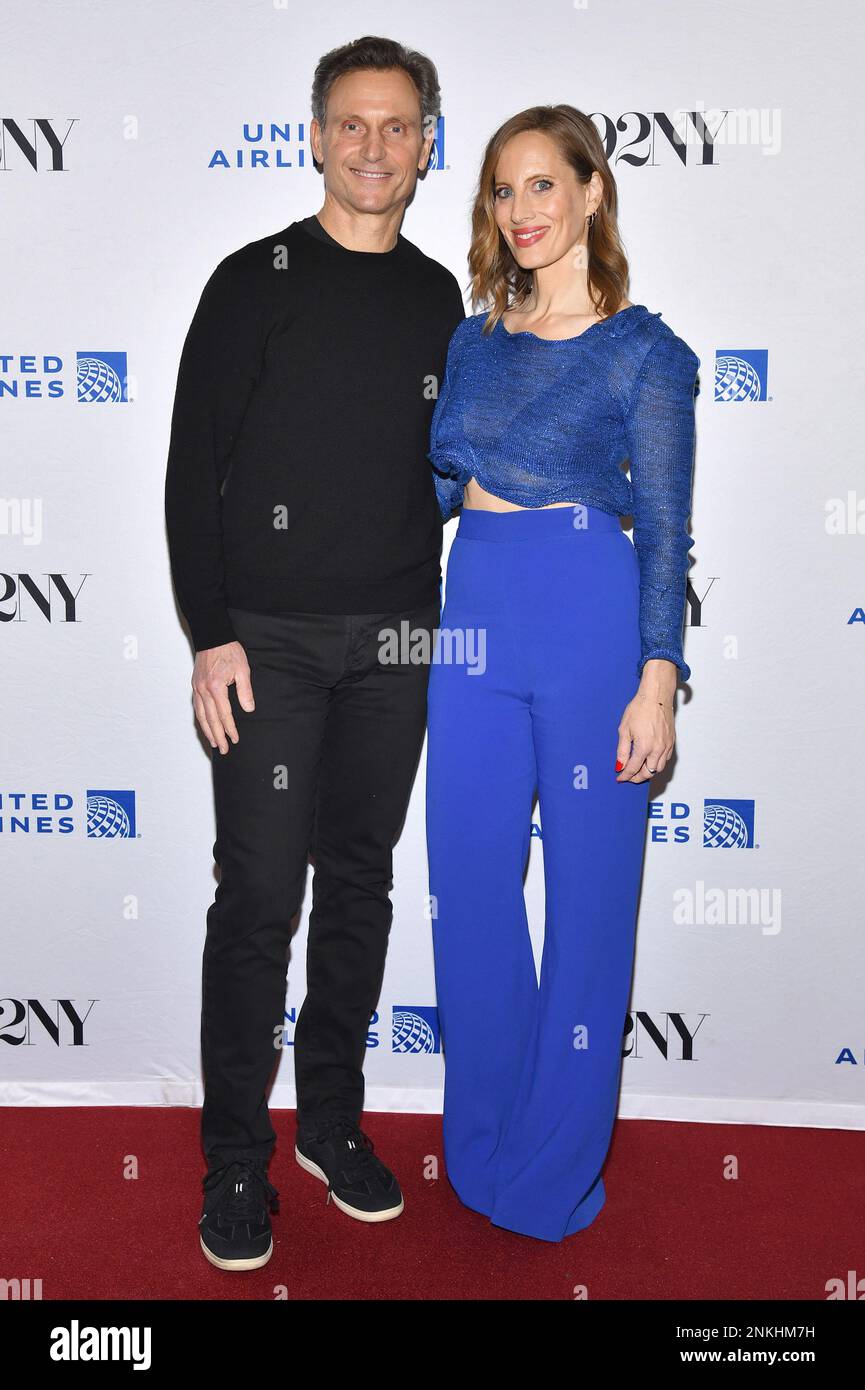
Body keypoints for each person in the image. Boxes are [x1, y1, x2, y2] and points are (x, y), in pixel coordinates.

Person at [164, 35, 464, 1271]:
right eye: (353, 123)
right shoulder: (252, 279)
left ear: (427, 144)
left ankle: (329, 1122)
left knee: (361, 883)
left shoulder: (442, 295)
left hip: (399, 635)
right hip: (270, 646)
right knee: (257, 899)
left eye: (399, 126)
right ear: (316, 136)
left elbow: (445, 476)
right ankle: (236, 1153)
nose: (375, 146)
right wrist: (210, 633)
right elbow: (193, 467)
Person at [425, 104, 700, 1242]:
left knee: (590, 901)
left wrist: (657, 678)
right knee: (470, 886)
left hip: (588, 615)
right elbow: (429, 497)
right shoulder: (471, 341)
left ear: (592, 191)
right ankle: (484, 1141)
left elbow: (669, 528)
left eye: (544, 184)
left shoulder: (646, 351)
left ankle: (551, 1169)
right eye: (502, 190)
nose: (522, 210)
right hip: (472, 616)